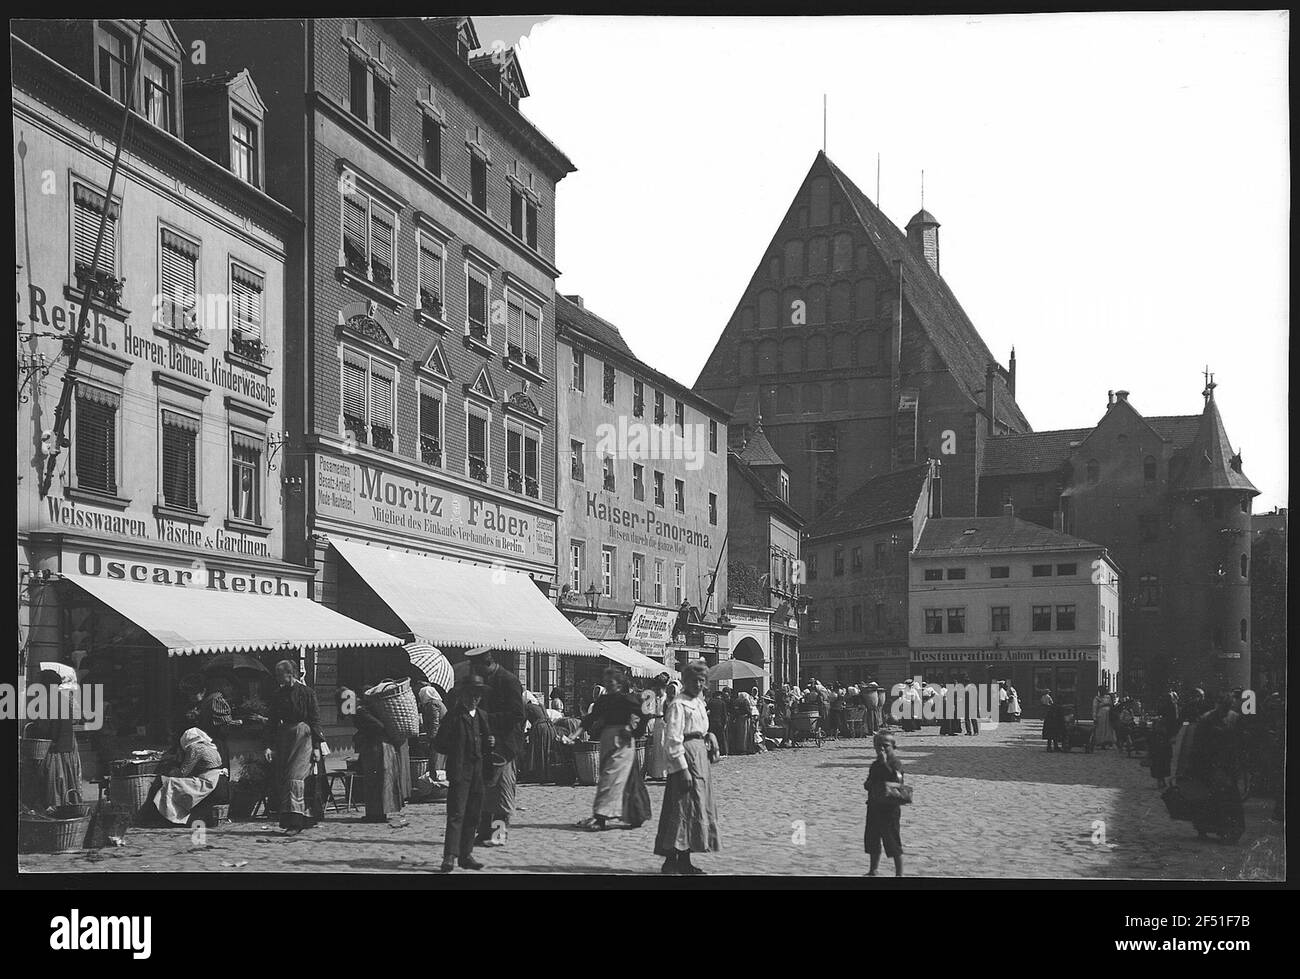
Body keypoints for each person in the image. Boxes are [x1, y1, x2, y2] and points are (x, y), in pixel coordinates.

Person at [654, 660, 721, 874]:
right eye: (694, 681)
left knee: (696, 807)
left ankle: (684, 858)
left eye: (702, 681)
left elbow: (700, 729)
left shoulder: (699, 703)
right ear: (685, 681)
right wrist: (682, 768)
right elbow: (673, 738)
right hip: (686, 759)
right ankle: (672, 860)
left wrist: (710, 737)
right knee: (681, 808)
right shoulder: (678, 704)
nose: (699, 684)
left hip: (700, 758)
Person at [466, 647, 525, 848]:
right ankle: (483, 833)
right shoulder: (483, 680)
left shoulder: (508, 681)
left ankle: (499, 835)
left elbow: (517, 715)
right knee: (484, 792)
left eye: (476, 667)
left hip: (505, 745)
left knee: (501, 793)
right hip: (486, 744)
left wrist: (485, 719)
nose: (474, 672)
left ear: (487, 663)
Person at [577, 667, 649, 829]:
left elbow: (644, 713)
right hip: (607, 740)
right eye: (606, 682)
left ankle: (601, 817)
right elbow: (590, 719)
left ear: (619, 684)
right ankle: (634, 814)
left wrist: (634, 731)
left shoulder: (627, 699)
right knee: (617, 778)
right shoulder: (603, 701)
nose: (608, 685)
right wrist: (574, 735)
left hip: (622, 742)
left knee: (610, 778)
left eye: (611, 682)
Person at [434, 675, 491, 872]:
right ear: (463, 695)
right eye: (470, 694)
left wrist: (489, 743)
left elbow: (486, 743)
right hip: (460, 771)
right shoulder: (454, 716)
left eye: (477, 695)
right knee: (456, 813)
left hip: (478, 772)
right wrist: (455, 746)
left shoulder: (482, 716)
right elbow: (439, 743)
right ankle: (450, 856)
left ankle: (466, 855)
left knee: (473, 814)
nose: (474, 698)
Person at [264, 660, 324, 835]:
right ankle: (299, 818)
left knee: (295, 778)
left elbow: (315, 719)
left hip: (303, 737)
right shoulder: (278, 695)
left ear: (290, 674)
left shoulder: (306, 693)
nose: (277, 678)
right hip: (285, 739)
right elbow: (272, 721)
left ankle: (295, 822)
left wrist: (317, 747)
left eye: (279, 674)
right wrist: (268, 745)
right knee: (285, 779)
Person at [141, 728, 230, 826]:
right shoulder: (209, 746)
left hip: (209, 780)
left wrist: (170, 772)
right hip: (219, 778)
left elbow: (183, 772)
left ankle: (168, 815)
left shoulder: (195, 748)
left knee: (170, 783)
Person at [348, 685, 408, 823]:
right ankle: (378, 813)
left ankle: (375, 814)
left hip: (375, 747)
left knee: (374, 781)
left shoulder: (361, 712)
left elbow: (378, 726)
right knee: (380, 780)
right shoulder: (366, 710)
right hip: (381, 747)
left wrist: (363, 735)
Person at [29, 669, 84, 809]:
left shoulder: (46, 700)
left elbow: (44, 728)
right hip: (67, 747)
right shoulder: (63, 699)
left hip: (53, 749)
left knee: (54, 783)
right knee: (67, 781)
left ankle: (56, 809)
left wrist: (33, 726)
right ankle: (68, 807)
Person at [864, 729, 906, 877]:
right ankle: (873, 869)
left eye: (885, 745)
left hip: (889, 809)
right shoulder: (875, 764)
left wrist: (885, 764)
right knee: (873, 839)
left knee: (892, 841)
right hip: (874, 806)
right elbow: (869, 780)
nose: (881, 748)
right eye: (878, 745)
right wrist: (869, 784)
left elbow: (897, 780)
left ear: (893, 747)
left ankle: (899, 874)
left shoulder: (895, 763)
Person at [194, 677, 242, 768]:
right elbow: (224, 723)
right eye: (228, 685)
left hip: (208, 740)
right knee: (219, 770)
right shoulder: (217, 699)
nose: (231, 689)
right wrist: (241, 722)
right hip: (216, 742)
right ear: (221, 686)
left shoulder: (209, 699)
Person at [521, 691, 559, 784]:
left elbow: (523, 721)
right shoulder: (540, 704)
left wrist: (521, 733)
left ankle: (539, 774)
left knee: (539, 750)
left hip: (540, 729)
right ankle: (548, 774)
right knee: (547, 750)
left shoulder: (527, 707)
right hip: (550, 727)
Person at [1092, 685, 1116, 749]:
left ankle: (1109, 742)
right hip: (1101, 715)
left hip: (1109, 715)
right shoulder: (1097, 698)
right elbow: (1095, 708)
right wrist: (1094, 717)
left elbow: (1112, 705)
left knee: (1109, 728)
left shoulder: (1108, 697)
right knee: (1101, 728)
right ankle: (1101, 742)